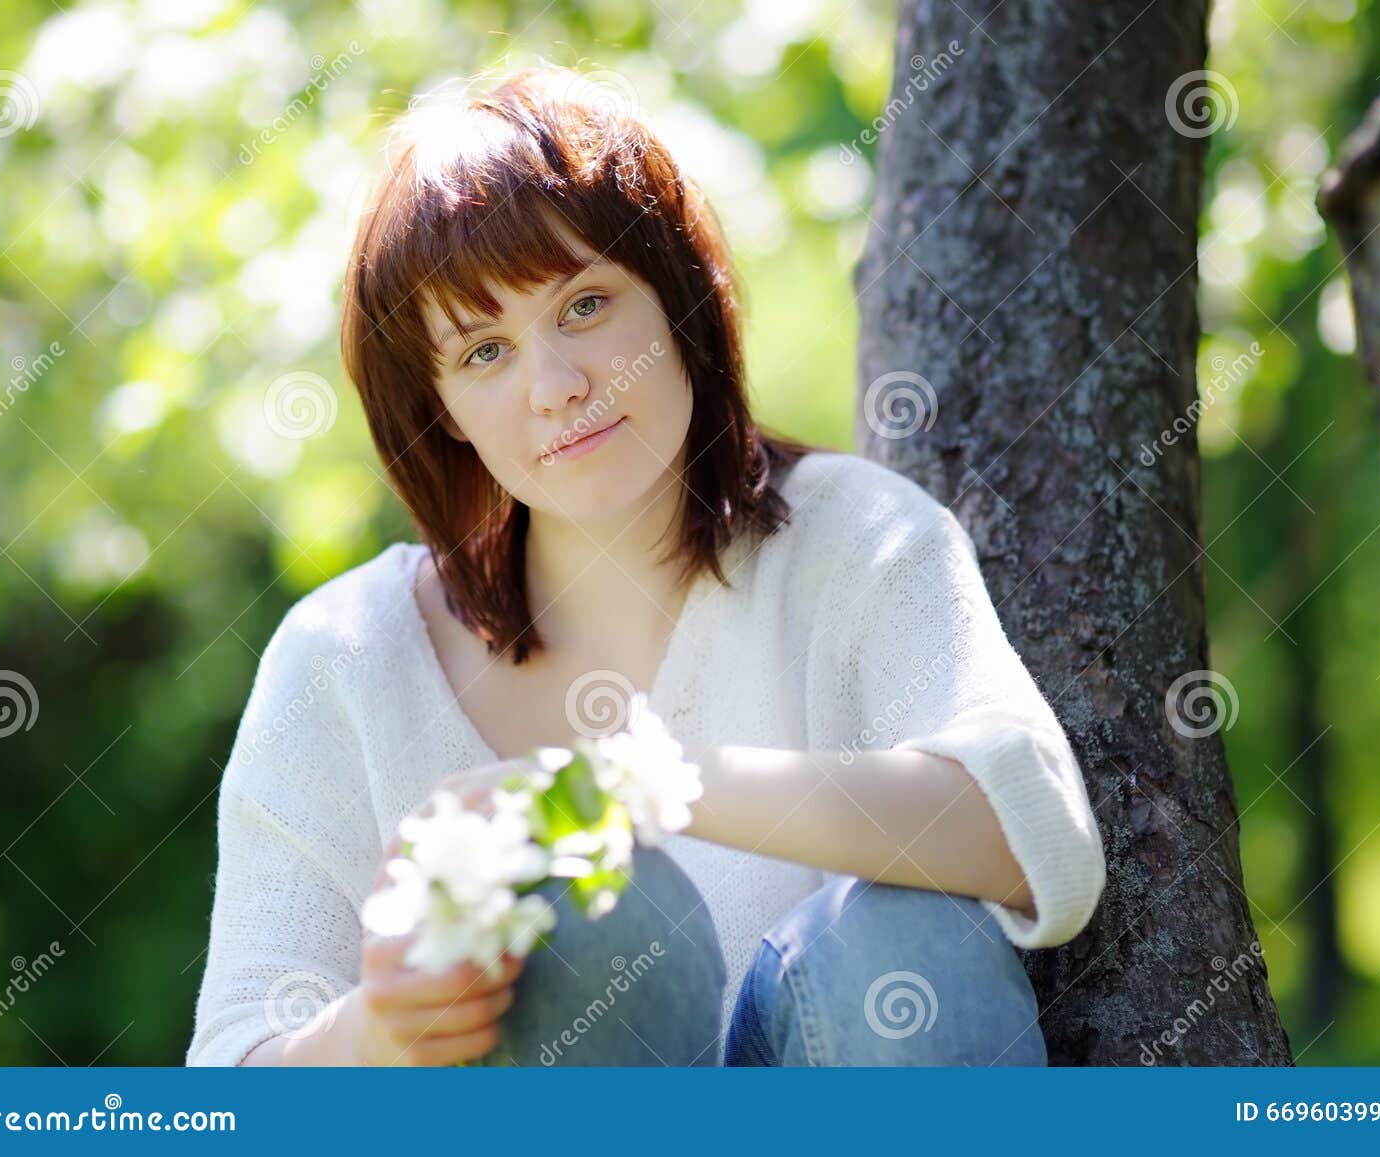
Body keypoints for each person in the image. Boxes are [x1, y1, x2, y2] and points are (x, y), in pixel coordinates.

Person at [186, 67, 1105, 1068]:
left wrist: (623, 784)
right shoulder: (347, 655)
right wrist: (374, 1031)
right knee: (570, 904)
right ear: (439, 408)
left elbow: (1038, 836)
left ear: (675, 303)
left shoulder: (853, 536)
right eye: (483, 352)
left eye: (584, 305)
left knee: (906, 942)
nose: (557, 386)